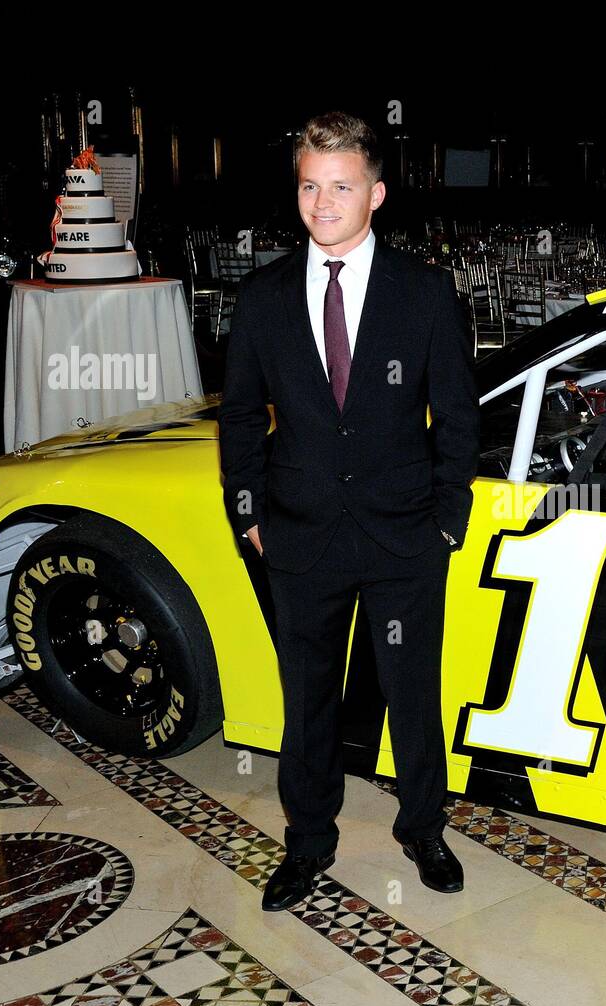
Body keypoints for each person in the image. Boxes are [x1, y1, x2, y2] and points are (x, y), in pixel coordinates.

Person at [218, 112, 480, 911]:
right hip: (298, 534)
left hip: (405, 534)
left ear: (376, 193)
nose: (322, 202)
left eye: (340, 186)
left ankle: (424, 825)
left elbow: (459, 416)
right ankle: (308, 843)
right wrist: (249, 514)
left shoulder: (425, 291)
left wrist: (446, 518)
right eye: (309, 184)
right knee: (308, 700)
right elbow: (237, 416)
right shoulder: (262, 295)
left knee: (413, 690)